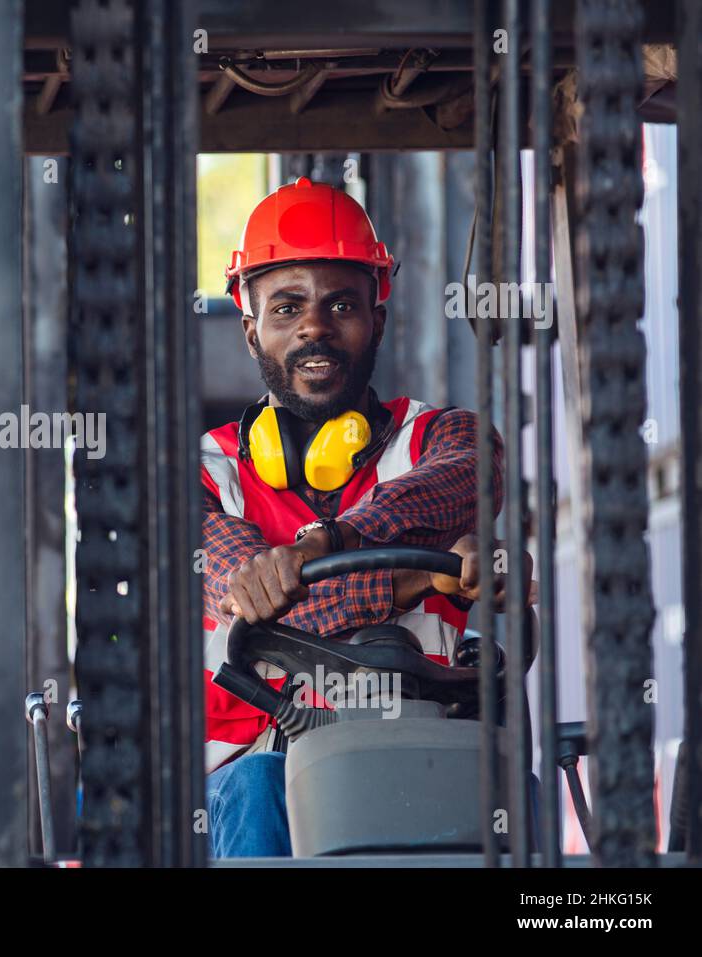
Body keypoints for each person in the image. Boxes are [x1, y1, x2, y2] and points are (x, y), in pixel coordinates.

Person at [202, 177, 532, 858]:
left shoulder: (443, 438)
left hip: (423, 758)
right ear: (250, 328)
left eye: (341, 304)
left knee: (512, 790)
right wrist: (422, 574)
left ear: (376, 319)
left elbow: (465, 480)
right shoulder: (202, 475)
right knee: (263, 784)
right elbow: (269, 608)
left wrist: (337, 540)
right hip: (251, 776)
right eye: (286, 306)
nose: (315, 326)